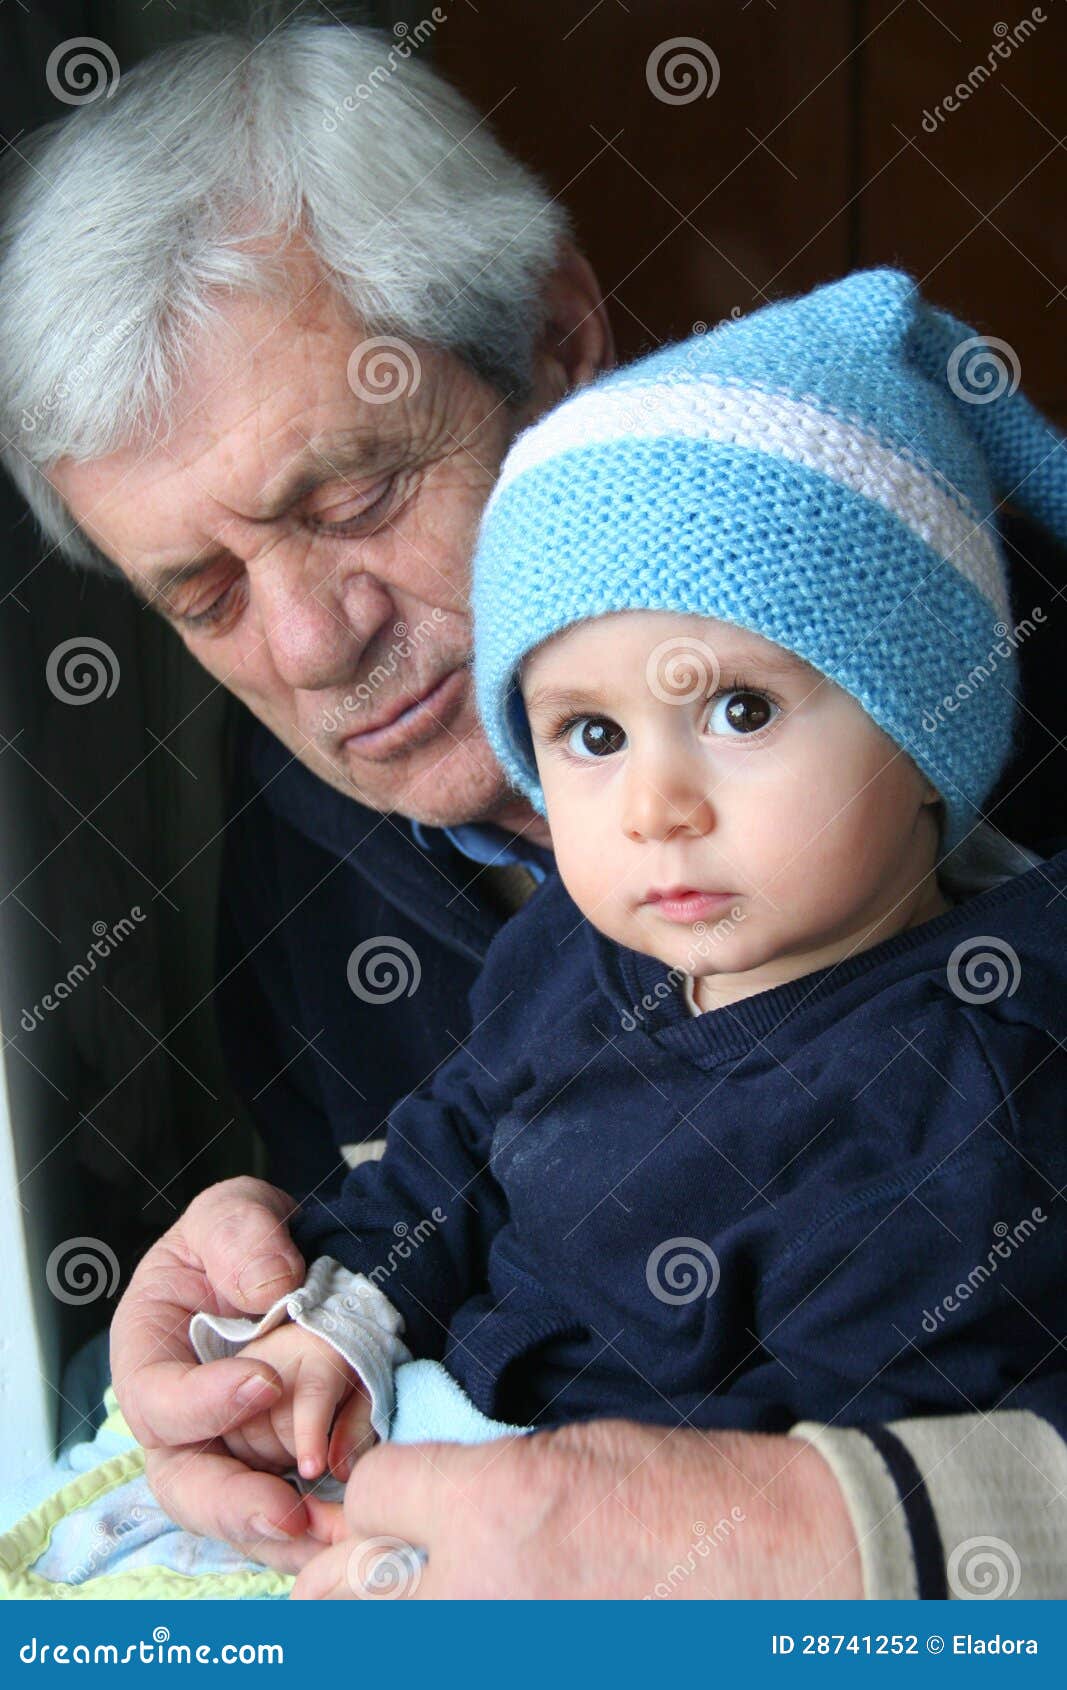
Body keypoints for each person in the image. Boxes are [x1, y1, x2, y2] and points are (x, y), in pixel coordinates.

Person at [1, 12, 1063, 1599]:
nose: (312, 648)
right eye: (208, 593)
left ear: (562, 339)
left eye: (355, 493)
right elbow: (474, 1166)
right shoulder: (315, 854)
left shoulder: (970, 665)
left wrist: (798, 1530)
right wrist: (285, 1271)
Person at [186, 269, 1067, 1602]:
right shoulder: (585, 952)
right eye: (590, 735)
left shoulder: (959, 1101)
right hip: (432, 1451)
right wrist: (346, 1319)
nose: (656, 806)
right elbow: (462, 1136)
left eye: (742, 711)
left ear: (926, 726)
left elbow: (784, 1496)